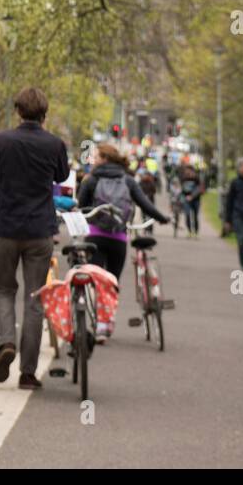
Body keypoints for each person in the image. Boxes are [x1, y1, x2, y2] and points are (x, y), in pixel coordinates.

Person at [0, 87, 69, 391]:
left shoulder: (0, 141)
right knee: (35, 299)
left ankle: (6, 342)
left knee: (3, 290)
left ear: (18, 110)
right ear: (44, 113)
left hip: (5, 226)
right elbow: (61, 177)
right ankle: (28, 373)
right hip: (39, 229)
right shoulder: (54, 144)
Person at [77, 143, 171, 339]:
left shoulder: (91, 180)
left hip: (95, 236)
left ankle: (96, 319)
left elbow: (81, 207)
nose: (93, 159)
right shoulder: (128, 180)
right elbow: (144, 203)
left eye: (96, 156)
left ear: (104, 159)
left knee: (97, 280)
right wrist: (162, 218)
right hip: (118, 237)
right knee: (112, 282)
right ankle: (106, 322)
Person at [178, 160, 203, 238]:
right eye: (186, 170)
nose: (187, 172)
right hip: (186, 199)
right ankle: (189, 231)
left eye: (189, 170)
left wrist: (192, 196)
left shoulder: (196, 178)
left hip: (195, 199)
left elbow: (199, 188)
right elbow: (181, 188)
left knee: (195, 216)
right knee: (187, 215)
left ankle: (195, 232)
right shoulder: (183, 178)